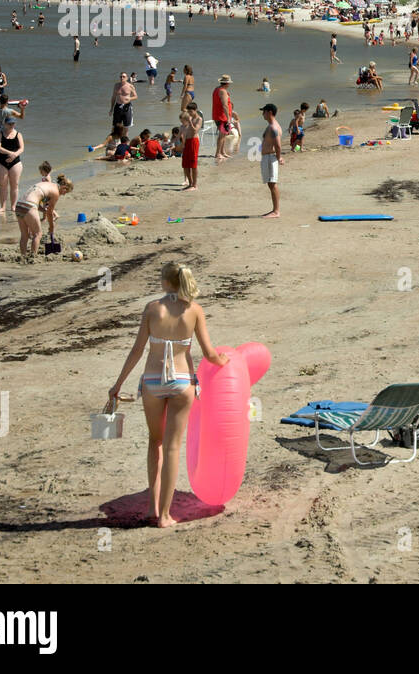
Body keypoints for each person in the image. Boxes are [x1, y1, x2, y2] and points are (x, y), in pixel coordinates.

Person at [107, 262, 230, 527]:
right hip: (182, 382)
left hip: (152, 382)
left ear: (165, 283)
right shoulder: (194, 310)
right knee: (173, 447)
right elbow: (209, 354)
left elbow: (137, 350)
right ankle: (165, 515)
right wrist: (225, 361)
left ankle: (152, 506)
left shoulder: (152, 309)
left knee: (156, 442)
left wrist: (118, 384)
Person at [15, 162, 72, 256]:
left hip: (19, 205)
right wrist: (52, 227)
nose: (63, 194)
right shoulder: (56, 192)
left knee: (24, 235)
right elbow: (49, 213)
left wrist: (43, 210)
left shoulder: (46, 184)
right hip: (30, 205)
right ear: (64, 188)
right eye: (65, 193)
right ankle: (32, 257)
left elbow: (37, 203)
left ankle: (23, 256)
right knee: (38, 234)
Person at [0, 115, 25, 216]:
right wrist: (10, 153)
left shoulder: (18, 134)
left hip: (15, 162)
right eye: (9, 123)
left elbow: (21, 148)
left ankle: (13, 206)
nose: (11, 125)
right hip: (2, 162)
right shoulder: (0, 133)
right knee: (3, 186)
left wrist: (14, 154)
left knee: (14, 185)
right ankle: (3, 207)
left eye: (13, 123)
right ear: (5, 124)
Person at [260, 103, 282, 218]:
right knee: (271, 184)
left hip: (270, 158)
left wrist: (279, 158)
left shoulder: (273, 127)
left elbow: (278, 145)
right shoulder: (272, 125)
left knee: (273, 184)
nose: (262, 114)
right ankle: (275, 210)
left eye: (263, 111)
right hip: (268, 157)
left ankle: (276, 211)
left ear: (269, 112)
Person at [212, 75, 235, 164]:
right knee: (222, 135)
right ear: (227, 83)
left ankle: (222, 152)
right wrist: (228, 118)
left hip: (219, 115)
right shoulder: (222, 91)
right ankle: (218, 153)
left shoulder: (217, 89)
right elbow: (225, 105)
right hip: (222, 116)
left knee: (224, 134)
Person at [180, 103, 201, 190]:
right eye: (188, 111)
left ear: (195, 110)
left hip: (194, 141)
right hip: (187, 141)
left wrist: (190, 122)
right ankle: (190, 183)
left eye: (191, 111)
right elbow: (184, 129)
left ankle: (194, 185)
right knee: (185, 164)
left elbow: (195, 130)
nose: (190, 113)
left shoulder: (198, 119)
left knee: (193, 164)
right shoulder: (189, 118)